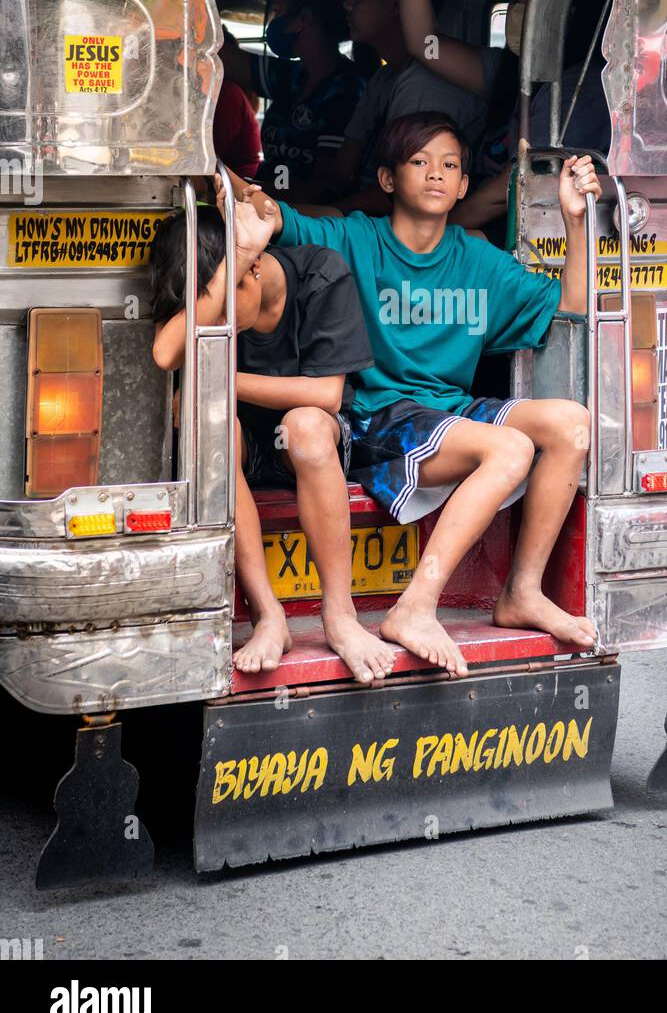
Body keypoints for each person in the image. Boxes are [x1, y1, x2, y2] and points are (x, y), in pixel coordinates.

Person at [223, 110, 601, 679]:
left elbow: (568, 309)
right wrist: (215, 169)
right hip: (376, 419)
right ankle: (415, 608)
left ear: (465, 185)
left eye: (450, 165)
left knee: (572, 422)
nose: (435, 174)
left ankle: (521, 591)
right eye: (419, 162)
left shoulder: (476, 257)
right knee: (509, 450)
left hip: (447, 413)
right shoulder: (356, 238)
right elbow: (271, 216)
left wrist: (576, 222)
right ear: (387, 179)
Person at [149, 197, 397, 686]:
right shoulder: (229, 284)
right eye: (207, 302)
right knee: (212, 421)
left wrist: (219, 376)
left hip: (310, 445)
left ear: (256, 267)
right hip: (239, 449)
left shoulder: (322, 274)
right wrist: (226, 274)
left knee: (303, 424)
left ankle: (340, 615)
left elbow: (326, 395)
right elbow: (164, 353)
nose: (214, 316)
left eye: (225, 295)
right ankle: (269, 615)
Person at [401, 0, 612, 235]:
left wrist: (440, 230)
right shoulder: (508, 70)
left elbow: (510, 188)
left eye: (533, 0)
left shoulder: (579, 90)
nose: (518, 11)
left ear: (569, 12)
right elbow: (425, 45)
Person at [329, 0, 489, 213]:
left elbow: (403, 195)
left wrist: (323, 218)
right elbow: (343, 171)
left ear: (396, 4)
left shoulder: (427, 84)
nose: (347, 4)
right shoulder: (385, 77)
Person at [219, 0, 364, 204]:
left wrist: (249, 192)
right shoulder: (292, 77)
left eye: (277, 10)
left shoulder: (345, 91)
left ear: (303, 19)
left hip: (296, 221)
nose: (273, 20)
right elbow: (229, 61)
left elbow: (322, 187)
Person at [213, 77, 261, 177]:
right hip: (228, 175)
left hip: (240, 179)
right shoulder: (228, 92)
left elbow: (212, 149)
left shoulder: (227, 93)